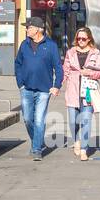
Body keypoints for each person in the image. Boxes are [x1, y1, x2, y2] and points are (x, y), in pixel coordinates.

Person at [15, 17, 62, 161]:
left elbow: (58, 68)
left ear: (38, 29)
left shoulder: (51, 46)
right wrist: (20, 84)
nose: (26, 29)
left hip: (44, 90)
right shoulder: (24, 44)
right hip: (26, 88)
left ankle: (36, 150)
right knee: (28, 119)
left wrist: (56, 85)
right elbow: (17, 64)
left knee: (39, 120)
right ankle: (38, 140)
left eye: (29, 27)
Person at [61, 26, 100, 161]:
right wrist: (57, 85)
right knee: (73, 121)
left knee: (86, 120)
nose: (80, 41)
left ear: (89, 39)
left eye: (83, 38)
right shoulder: (71, 52)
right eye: (78, 38)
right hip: (73, 91)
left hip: (88, 92)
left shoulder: (95, 53)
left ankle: (84, 149)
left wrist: (90, 73)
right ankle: (76, 141)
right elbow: (65, 70)